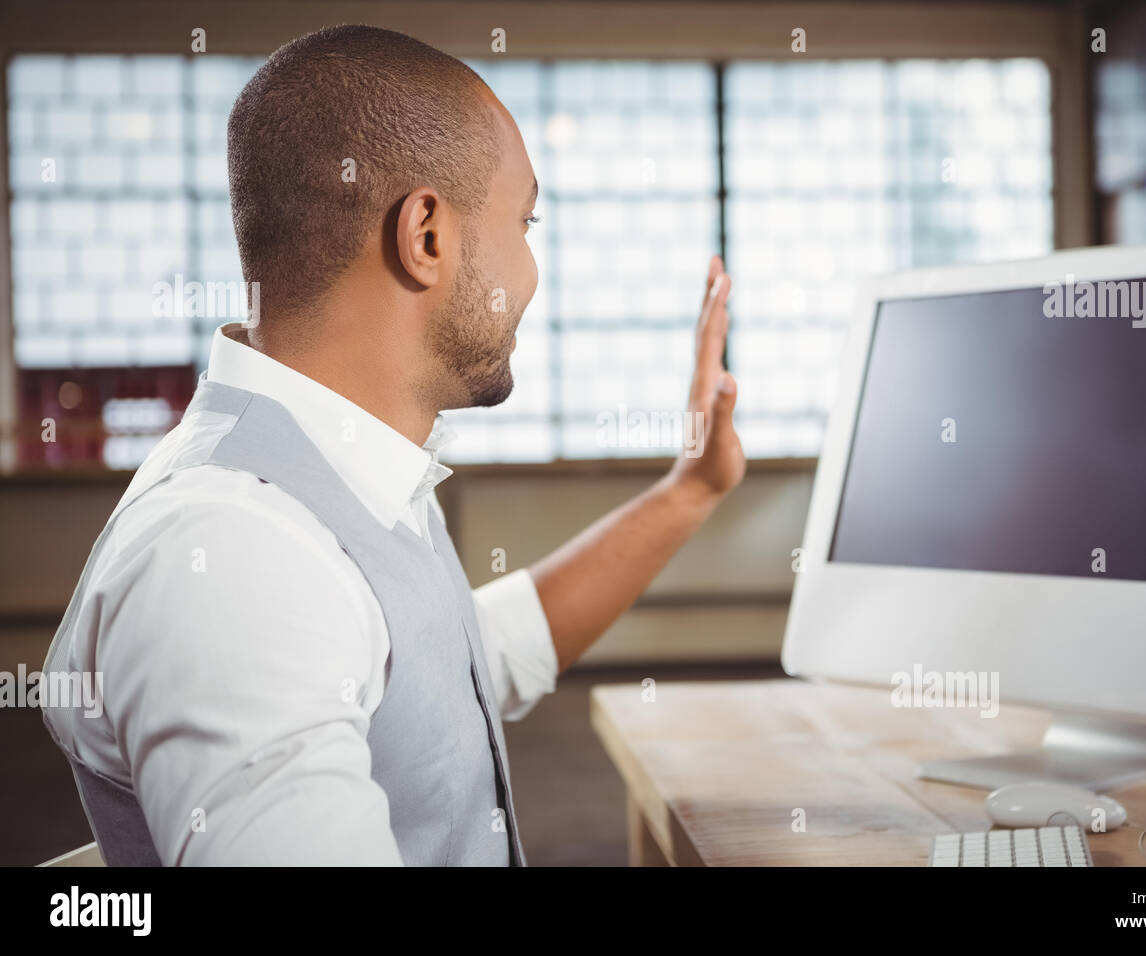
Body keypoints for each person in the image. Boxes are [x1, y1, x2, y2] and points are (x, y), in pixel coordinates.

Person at [41, 24, 744, 865]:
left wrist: (690, 489)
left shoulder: (335, 468)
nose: (530, 272)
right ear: (427, 236)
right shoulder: (235, 554)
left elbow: (457, 668)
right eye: (526, 223)